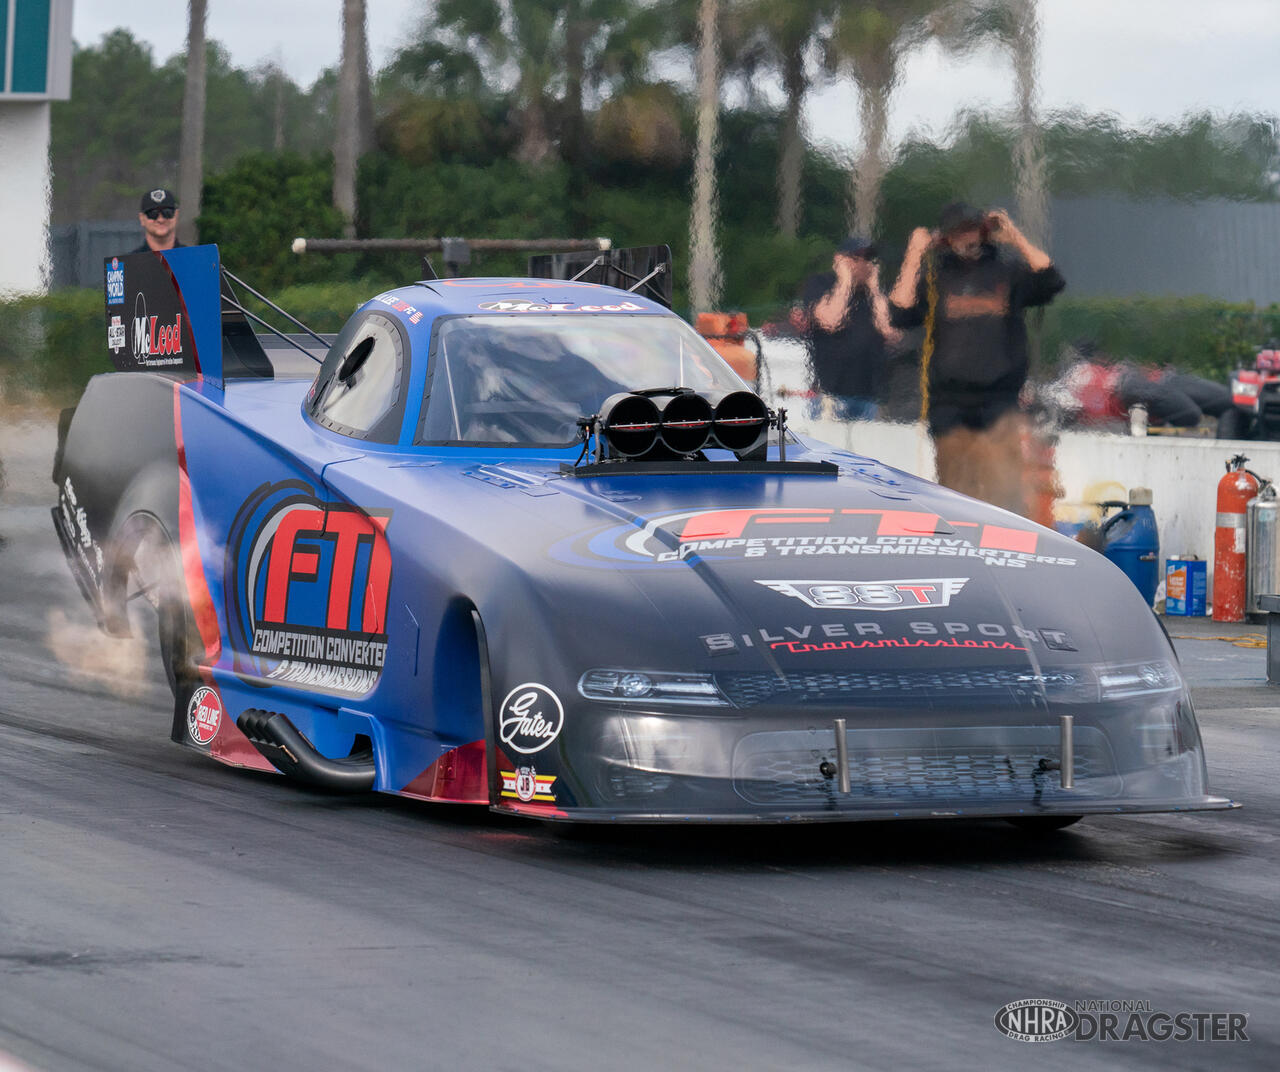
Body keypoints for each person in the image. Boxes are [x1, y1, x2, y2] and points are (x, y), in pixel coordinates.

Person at [890, 203, 1065, 514]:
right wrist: (914, 253)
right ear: (946, 238)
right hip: (949, 403)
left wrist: (1015, 237)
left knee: (1005, 493)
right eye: (959, 232)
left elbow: (1051, 279)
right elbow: (900, 312)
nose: (967, 238)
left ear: (983, 231)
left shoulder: (1007, 271)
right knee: (955, 498)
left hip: (1000, 400)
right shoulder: (935, 275)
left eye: (972, 229)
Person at [793, 236, 899, 421]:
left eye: (868, 259)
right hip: (830, 393)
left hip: (870, 395)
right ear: (840, 260)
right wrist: (845, 283)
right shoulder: (820, 284)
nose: (863, 264)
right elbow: (831, 321)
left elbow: (888, 330)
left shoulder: (878, 295)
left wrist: (874, 290)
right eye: (856, 258)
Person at [133, 187, 184, 253]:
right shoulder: (130, 262)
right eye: (153, 214)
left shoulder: (195, 259)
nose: (160, 220)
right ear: (142, 218)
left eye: (167, 212)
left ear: (176, 215)